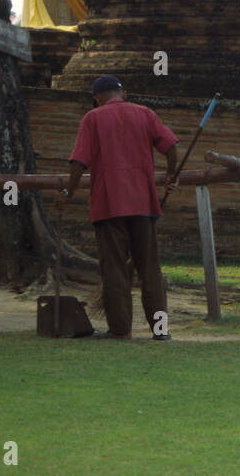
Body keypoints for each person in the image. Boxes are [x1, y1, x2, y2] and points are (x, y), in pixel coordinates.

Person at [59, 75, 180, 340]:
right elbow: (171, 147)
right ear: (123, 93)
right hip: (144, 203)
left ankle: (121, 329)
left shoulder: (93, 118)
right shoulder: (145, 114)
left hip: (109, 205)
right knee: (150, 269)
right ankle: (160, 331)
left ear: (96, 99)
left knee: (114, 269)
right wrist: (171, 174)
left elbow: (78, 161)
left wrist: (69, 191)